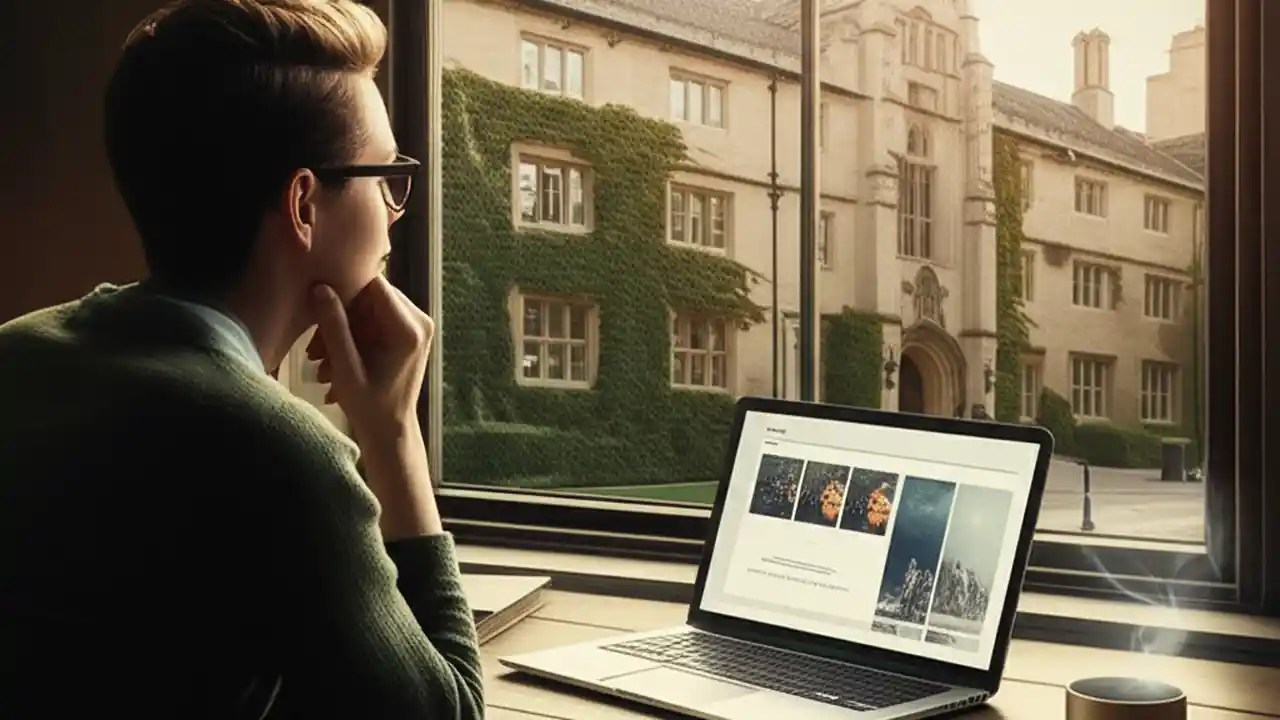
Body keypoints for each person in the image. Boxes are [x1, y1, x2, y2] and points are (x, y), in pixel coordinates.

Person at [0, 1, 483, 717]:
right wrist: (393, 434)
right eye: (386, 176)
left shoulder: (17, 353)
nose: (392, 210)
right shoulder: (278, 453)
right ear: (303, 205)